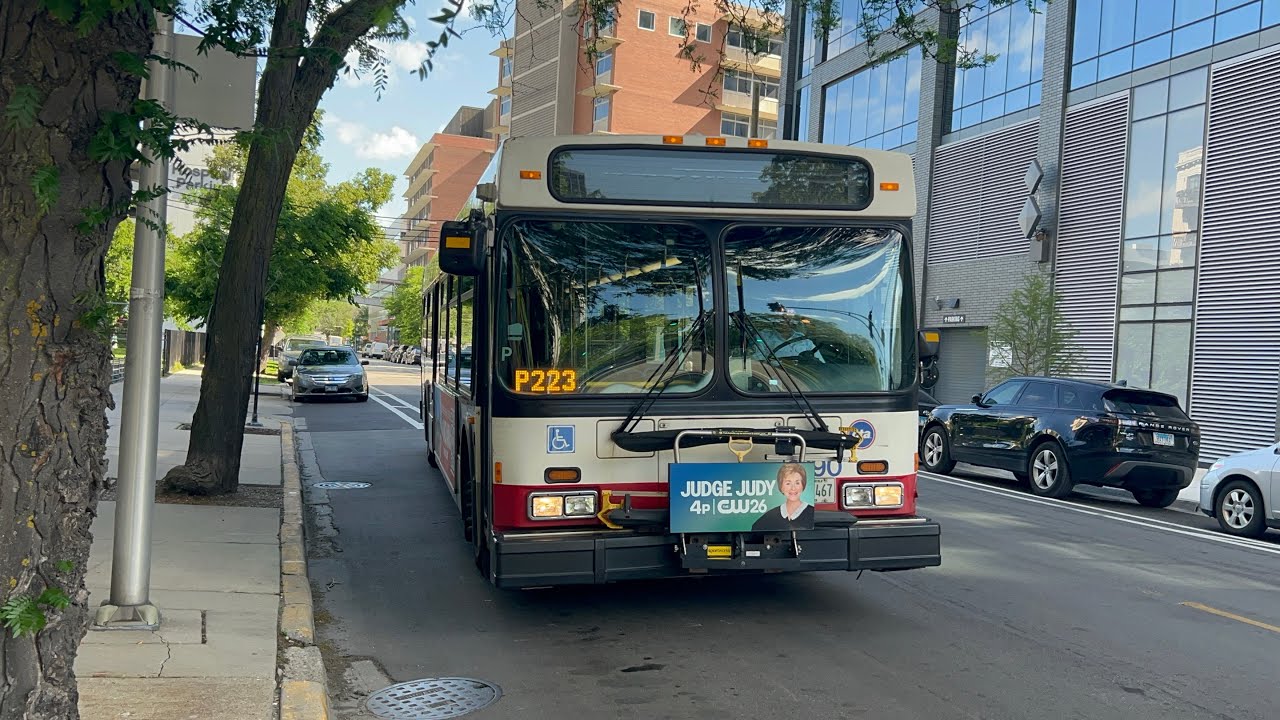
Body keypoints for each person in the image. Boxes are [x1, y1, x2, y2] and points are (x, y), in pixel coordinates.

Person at [751, 463, 814, 531]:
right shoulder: (769, 517)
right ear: (781, 486)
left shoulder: (813, 513)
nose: (793, 488)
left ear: (803, 485)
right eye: (788, 483)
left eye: (797, 483)